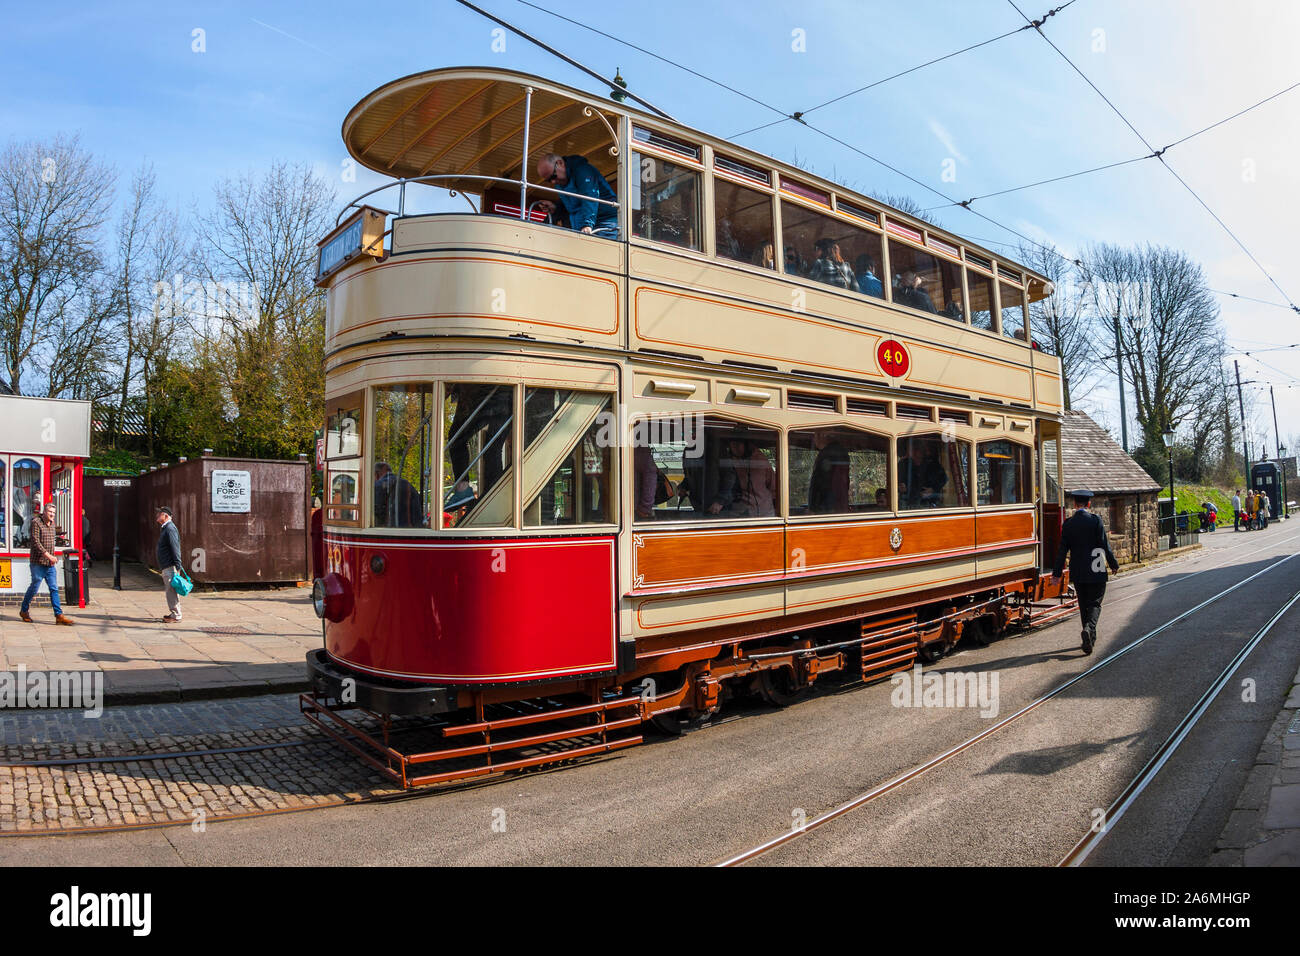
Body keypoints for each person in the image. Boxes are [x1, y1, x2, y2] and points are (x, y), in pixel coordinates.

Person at [1052, 489, 1119, 655]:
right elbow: (1104, 544)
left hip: (1078, 571)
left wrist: (1056, 573)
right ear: (1088, 503)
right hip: (1096, 568)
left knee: (1084, 606)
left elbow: (1062, 551)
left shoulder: (1068, 524)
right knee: (1095, 603)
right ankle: (1089, 630)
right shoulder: (1095, 520)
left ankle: (1089, 638)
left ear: (1075, 504)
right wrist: (1113, 563)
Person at [535, 153, 618, 238]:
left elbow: (589, 195)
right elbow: (572, 205)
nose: (553, 182)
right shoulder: (560, 182)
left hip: (605, 223)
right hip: (582, 226)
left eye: (553, 176)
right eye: (549, 180)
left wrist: (587, 224)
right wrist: (555, 207)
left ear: (560, 163)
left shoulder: (583, 170)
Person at [18, 501, 73, 626]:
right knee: (34, 587)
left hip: (50, 564)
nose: (52, 514)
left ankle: (59, 615)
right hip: (37, 562)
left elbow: (51, 544)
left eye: (54, 512)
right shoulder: (36, 522)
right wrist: (49, 556)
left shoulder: (52, 524)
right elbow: (36, 542)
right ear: (44, 512)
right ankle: (24, 611)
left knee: (54, 588)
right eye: (50, 512)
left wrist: (53, 557)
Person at [709, 438, 776, 517]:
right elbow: (728, 485)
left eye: (737, 444)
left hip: (765, 513)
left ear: (748, 445)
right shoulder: (729, 462)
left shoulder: (760, 460)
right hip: (741, 514)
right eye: (731, 445)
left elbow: (773, 487)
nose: (734, 449)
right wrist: (721, 501)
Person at [808, 431, 850, 513]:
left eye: (815, 436)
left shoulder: (826, 454)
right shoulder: (841, 452)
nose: (814, 440)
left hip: (827, 508)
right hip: (838, 505)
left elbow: (819, 482)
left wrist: (814, 508)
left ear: (823, 435)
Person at [156, 506, 184, 623]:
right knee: (170, 590)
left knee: (171, 591)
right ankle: (174, 613)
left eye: (159, 514)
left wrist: (178, 565)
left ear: (166, 516)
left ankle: (176, 615)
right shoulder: (166, 528)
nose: (157, 516)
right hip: (167, 565)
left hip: (170, 565)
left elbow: (175, 547)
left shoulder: (170, 528)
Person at [898, 440, 947, 508]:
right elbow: (894, 482)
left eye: (917, 449)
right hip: (908, 502)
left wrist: (933, 489)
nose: (915, 452)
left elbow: (944, 478)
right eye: (912, 449)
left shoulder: (933, 464)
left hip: (930, 503)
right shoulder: (903, 464)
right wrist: (900, 486)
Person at [373, 461, 423, 528]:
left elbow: (376, 511)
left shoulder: (377, 486)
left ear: (376, 474)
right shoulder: (408, 485)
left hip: (388, 532)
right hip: (412, 531)